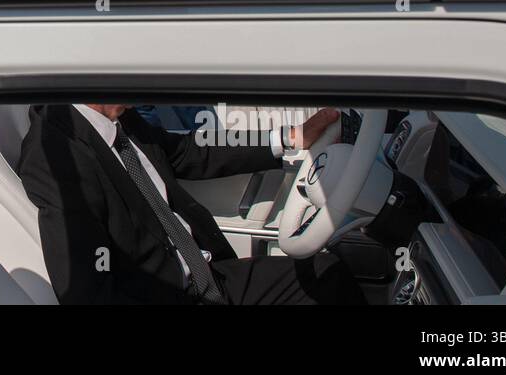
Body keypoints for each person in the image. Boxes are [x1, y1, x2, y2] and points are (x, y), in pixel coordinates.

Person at [18, 103, 364, 305]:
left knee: (328, 273)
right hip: (165, 295)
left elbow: (187, 153)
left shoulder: (118, 117)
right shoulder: (55, 155)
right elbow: (84, 292)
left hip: (211, 277)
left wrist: (290, 138)